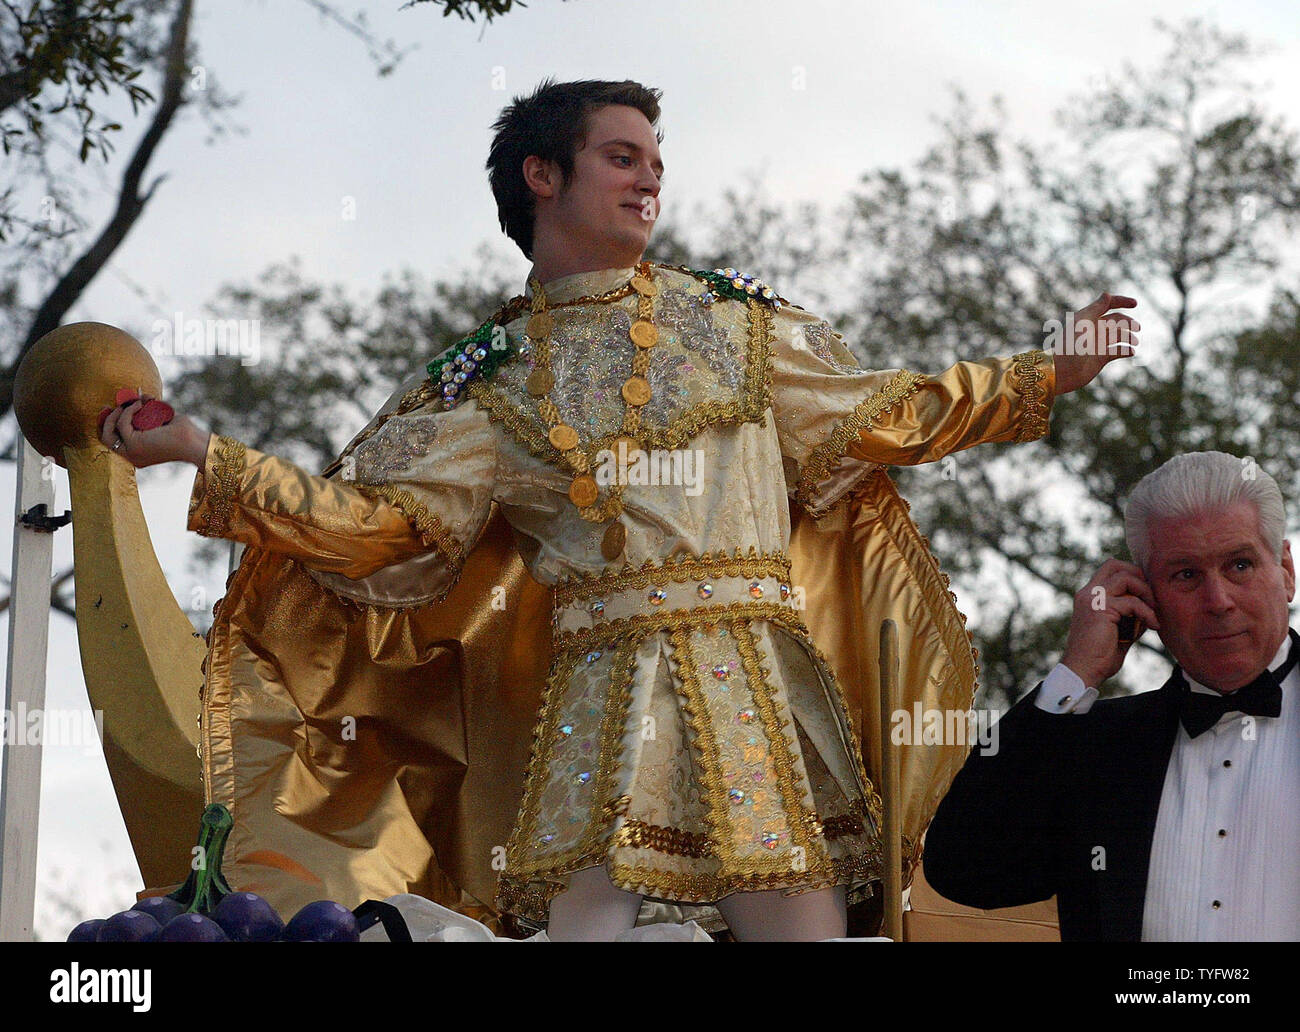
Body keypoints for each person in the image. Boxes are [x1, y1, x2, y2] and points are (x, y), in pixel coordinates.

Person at [99, 78, 1138, 941]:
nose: (649, 180)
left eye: (654, 162)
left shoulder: (733, 326)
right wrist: (206, 454)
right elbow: (384, 532)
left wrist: (1044, 372)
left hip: (756, 696)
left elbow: (887, 414)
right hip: (599, 712)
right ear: (541, 176)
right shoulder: (486, 382)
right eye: (621, 156)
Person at [923, 451, 1298, 941]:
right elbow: (968, 868)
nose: (1218, 601)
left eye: (1240, 565)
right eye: (1185, 574)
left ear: (1286, 571)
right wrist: (1072, 676)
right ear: (1145, 597)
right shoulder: (1097, 746)